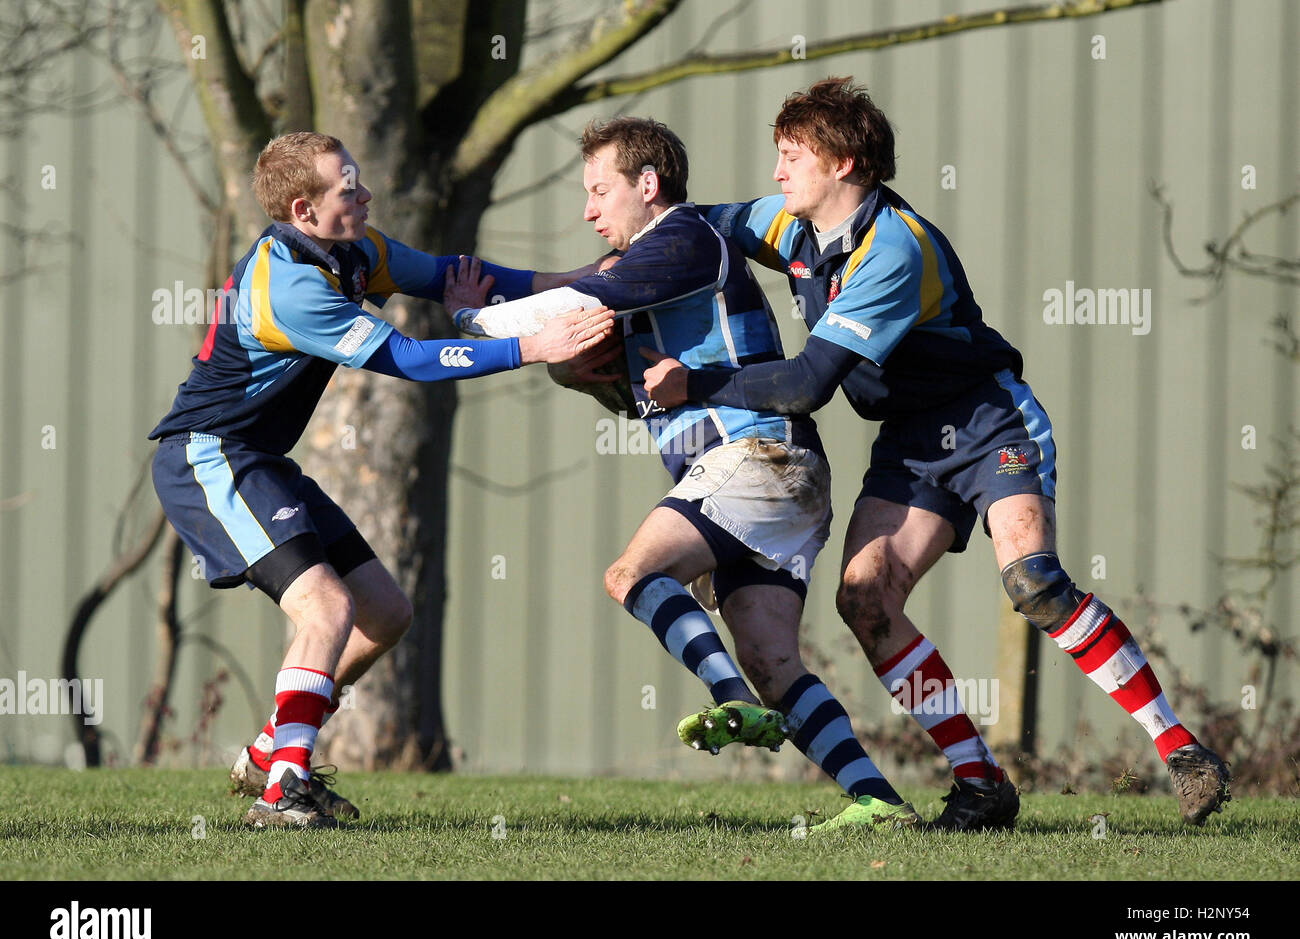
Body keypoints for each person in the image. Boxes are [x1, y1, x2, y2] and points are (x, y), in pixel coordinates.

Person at [642, 78, 1231, 829]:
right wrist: (625, 247)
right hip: (912, 444)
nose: (778, 172)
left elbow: (806, 384)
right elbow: (699, 228)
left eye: (793, 156)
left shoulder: (892, 249)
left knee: (1034, 582)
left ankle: (1182, 749)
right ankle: (981, 783)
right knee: (864, 598)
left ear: (847, 163)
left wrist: (693, 379)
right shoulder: (794, 226)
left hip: (989, 422)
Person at [447, 117, 918, 832]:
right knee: (772, 655)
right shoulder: (653, 273)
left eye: (600, 190)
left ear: (648, 183)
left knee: (632, 575)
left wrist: (468, 317)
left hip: (759, 459)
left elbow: (573, 302)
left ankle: (730, 698)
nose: (588, 210)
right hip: (784, 473)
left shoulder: (684, 238)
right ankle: (879, 801)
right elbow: (635, 384)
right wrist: (583, 379)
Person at [148, 132, 615, 829]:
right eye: (348, 188)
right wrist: (531, 347)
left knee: (385, 613)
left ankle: (271, 753)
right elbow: (411, 359)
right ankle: (283, 793)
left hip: (259, 458)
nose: (365, 195)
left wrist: (585, 281)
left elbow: (459, 275)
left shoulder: (353, 253)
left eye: (360, 180)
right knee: (326, 609)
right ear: (304, 209)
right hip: (207, 456)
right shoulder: (294, 287)